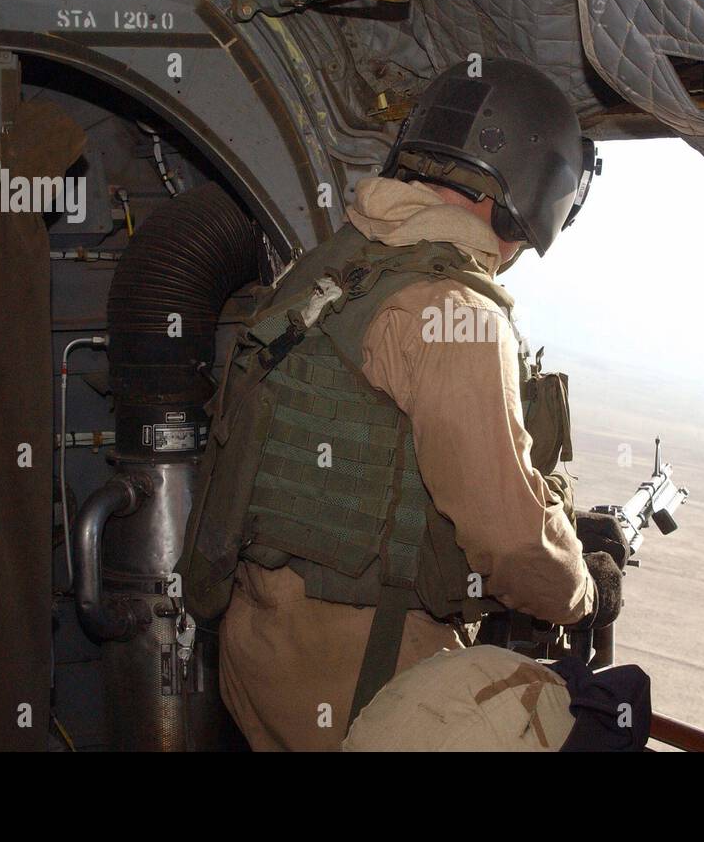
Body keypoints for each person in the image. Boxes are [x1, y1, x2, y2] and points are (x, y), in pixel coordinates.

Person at [179, 57, 620, 750]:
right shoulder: (454, 311)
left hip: (260, 649)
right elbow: (506, 537)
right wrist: (581, 588)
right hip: (360, 676)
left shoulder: (329, 266)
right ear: (540, 190)